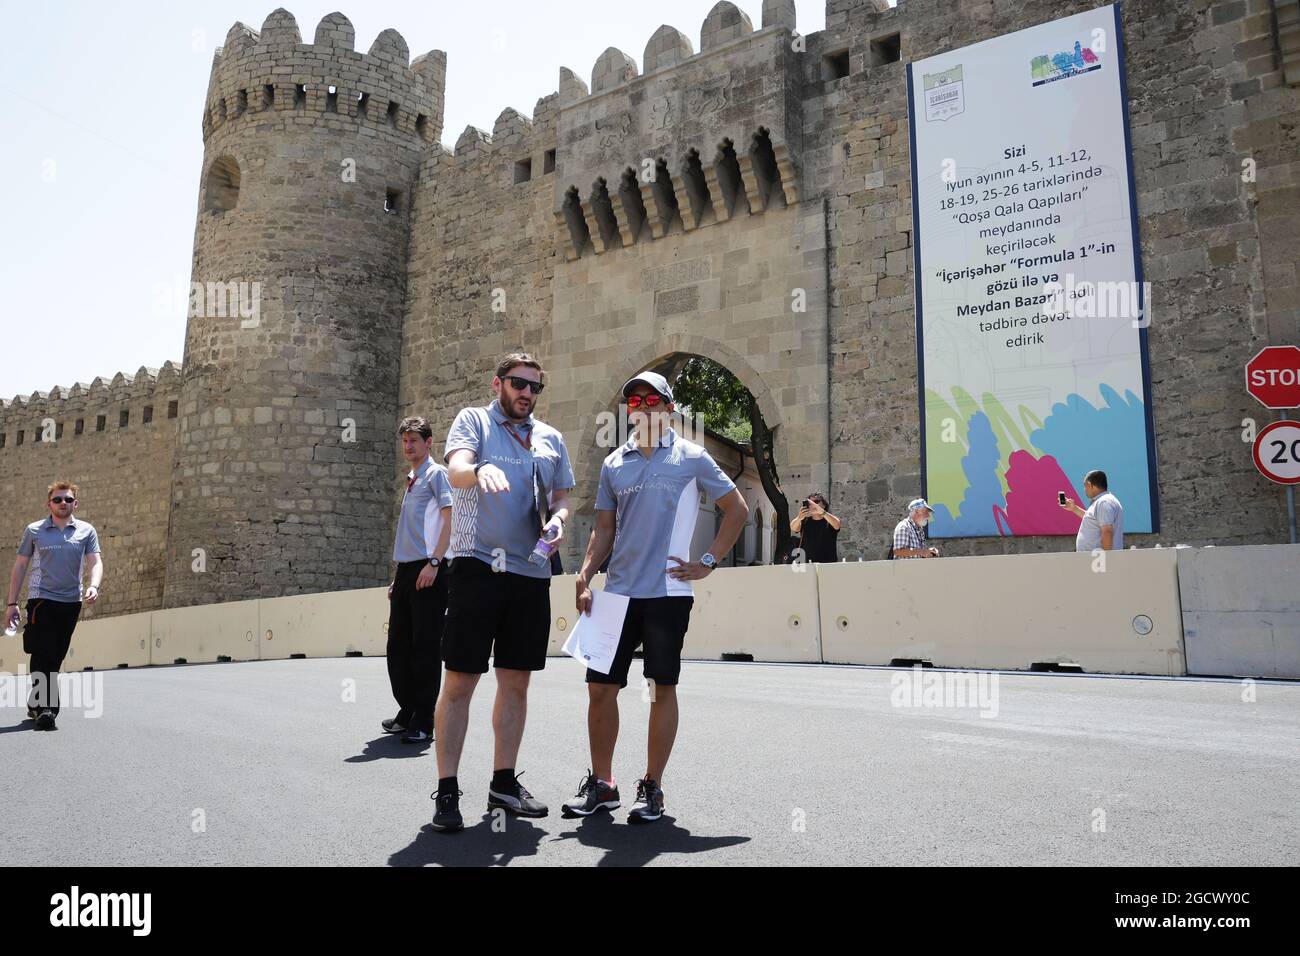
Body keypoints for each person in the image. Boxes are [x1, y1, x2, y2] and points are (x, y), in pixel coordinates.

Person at [566, 371, 748, 823]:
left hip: (668, 593)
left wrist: (708, 560)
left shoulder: (692, 458)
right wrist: (586, 574)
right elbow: (603, 529)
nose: (642, 406)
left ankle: (652, 787)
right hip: (618, 594)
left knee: (659, 687)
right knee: (599, 689)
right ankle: (604, 784)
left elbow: (737, 509)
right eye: (635, 401)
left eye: (652, 399)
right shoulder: (614, 464)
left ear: (668, 408)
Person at [431, 352, 574, 833]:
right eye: (518, 384)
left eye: (534, 387)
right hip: (476, 566)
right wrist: (478, 473)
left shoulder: (551, 438)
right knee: (460, 681)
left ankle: (503, 783)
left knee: (516, 682)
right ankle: (447, 790)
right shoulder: (473, 421)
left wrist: (558, 520)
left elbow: (561, 497)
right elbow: (455, 470)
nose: (526, 394)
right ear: (499, 384)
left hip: (531, 573)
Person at [5, 481, 103, 731]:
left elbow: (95, 562)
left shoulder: (86, 531)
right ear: (49, 504)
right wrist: (12, 603)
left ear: (75, 503)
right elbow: (20, 567)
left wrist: (94, 585)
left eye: (68, 500)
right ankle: (46, 709)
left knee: (55, 657)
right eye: (58, 500)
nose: (63, 504)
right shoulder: (35, 531)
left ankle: (35, 701)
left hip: (71, 603)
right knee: (43, 652)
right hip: (42, 600)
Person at [382, 416, 453, 745]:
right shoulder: (412, 478)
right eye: (405, 441)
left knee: (425, 647)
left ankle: (425, 719)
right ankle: (408, 709)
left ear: (428, 443)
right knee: (397, 646)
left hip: (430, 569)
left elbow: (449, 521)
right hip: (408, 570)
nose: (408, 446)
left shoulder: (436, 475)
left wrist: (435, 563)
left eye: (414, 440)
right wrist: (401, 577)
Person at [1061, 470, 1124, 551]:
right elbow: (1094, 520)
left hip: (1099, 560)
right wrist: (1074, 508)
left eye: (1085, 486)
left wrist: (1107, 559)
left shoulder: (1103, 502)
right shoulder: (1103, 501)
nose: (1084, 489)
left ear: (1090, 485)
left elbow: (1107, 531)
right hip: (1096, 559)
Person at [789, 492, 840, 563]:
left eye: (816, 502)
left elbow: (837, 524)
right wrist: (799, 517)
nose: (813, 505)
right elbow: (793, 528)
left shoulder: (829, 520)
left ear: (824, 505)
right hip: (807, 564)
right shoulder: (805, 520)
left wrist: (822, 512)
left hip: (827, 563)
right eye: (810, 503)